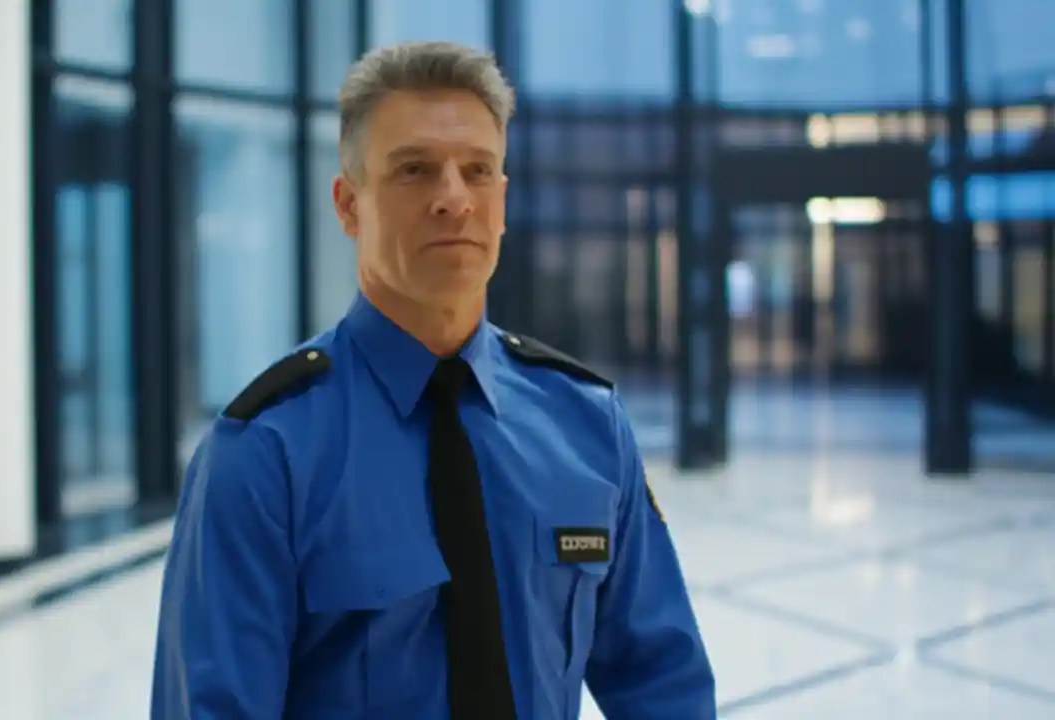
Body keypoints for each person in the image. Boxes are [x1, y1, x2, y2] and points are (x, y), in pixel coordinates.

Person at [150, 40, 715, 720]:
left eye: (477, 170)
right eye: (415, 170)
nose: (454, 199)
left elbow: (665, 687)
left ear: (502, 201)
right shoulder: (267, 451)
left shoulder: (586, 425)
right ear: (350, 205)